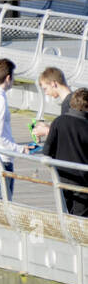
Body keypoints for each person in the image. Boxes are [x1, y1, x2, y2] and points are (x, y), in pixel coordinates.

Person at [0, 57, 32, 200]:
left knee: (0, 202)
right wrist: (20, 149)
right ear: (8, 78)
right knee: (3, 204)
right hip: (1, 158)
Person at [43, 88, 88, 216]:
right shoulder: (86, 126)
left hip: (62, 177)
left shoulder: (58, 121)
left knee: (67, 214)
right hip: (83, 180)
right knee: (82, 217)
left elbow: (47, 151)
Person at [32, 67, 73, 142]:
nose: (46, 93)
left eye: (45, 89)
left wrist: (46, 131)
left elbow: (68, 135)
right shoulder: (73, 99)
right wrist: (50, 127)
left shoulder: (68, 104)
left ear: (53, 84)